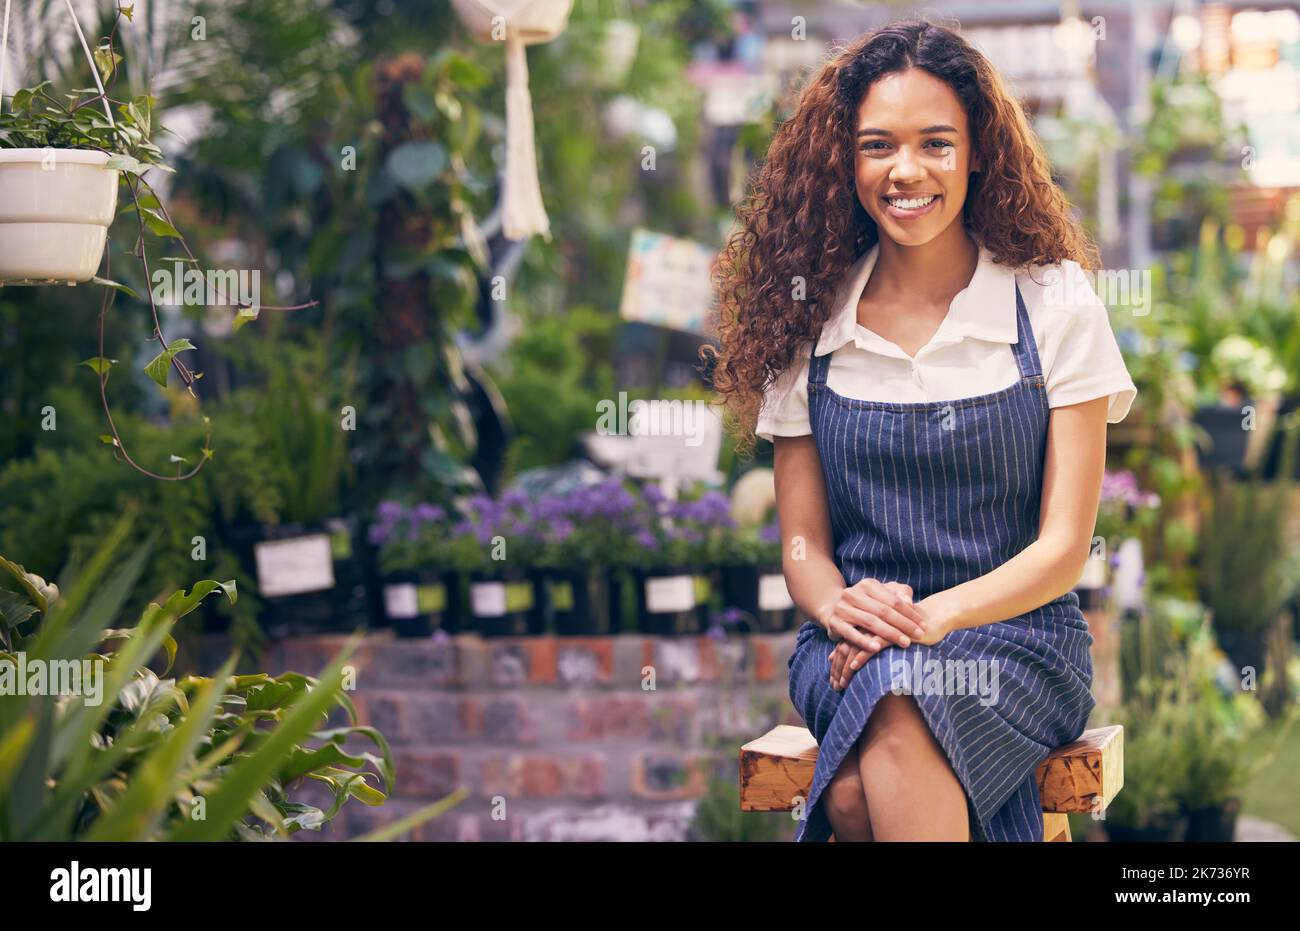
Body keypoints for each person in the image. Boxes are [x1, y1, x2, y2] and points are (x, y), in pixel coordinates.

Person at [707, 19, 1137, 841]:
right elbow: (802, 549)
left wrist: (933, 620)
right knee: (894, 699)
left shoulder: (1054, 306)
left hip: (1020, 643)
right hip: (850, 645)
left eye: (936, 143)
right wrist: (843, 608)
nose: (906, 171)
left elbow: (1062, 547)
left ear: (978, 152)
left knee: (859, 788)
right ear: (847, 159)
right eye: (878, 146)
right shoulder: (810, 323)